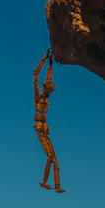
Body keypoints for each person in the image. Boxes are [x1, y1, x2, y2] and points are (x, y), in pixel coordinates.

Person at [34, 50, 64, 193]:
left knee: (55, 159)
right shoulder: (39, 98)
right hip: (40, 132)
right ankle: (45, 182)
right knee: (50, 156)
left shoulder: (46, 97)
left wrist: (50, 64)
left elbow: (48, 79)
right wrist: (44, 59)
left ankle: (57, 186)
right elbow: (36, 76)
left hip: (45, 132)